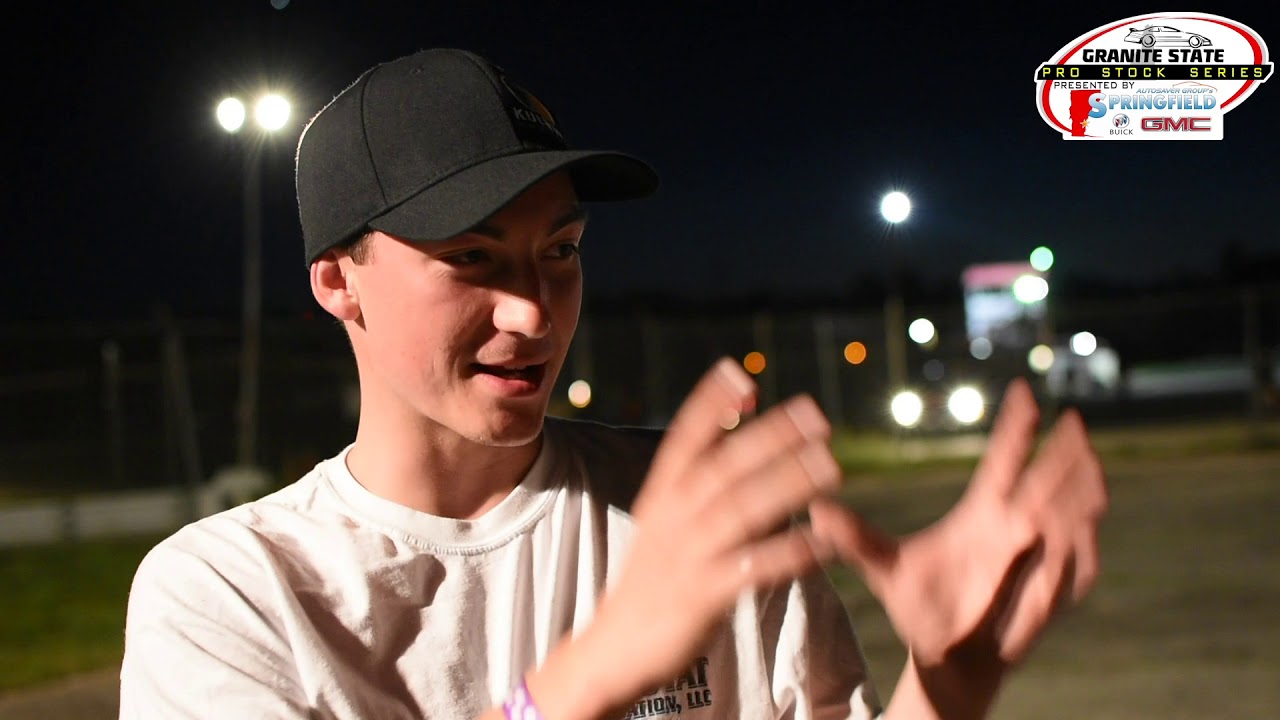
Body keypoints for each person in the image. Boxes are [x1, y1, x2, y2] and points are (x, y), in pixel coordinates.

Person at [119, 47, 1108, 720]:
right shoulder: (227, 591)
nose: (533, 312)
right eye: (471, 258)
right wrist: (590, 674)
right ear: (337, 281)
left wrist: (945, 687)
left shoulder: (698, 516)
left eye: (560, 251)